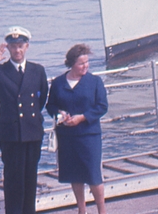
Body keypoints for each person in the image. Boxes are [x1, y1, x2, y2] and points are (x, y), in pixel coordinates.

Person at [0, 26, 49, 214]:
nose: (17, 50)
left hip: (32, 132)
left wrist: (31, 120)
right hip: (11, 134)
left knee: (30, 179)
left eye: (20, 46)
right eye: (13, 46)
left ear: (27, 46)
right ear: (8, 48)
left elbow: (41, 99)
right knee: (14, 181)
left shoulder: (37, 70)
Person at [46, 44, 109, 214]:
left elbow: (102, 106)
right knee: (75, 175)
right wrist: (60, 114)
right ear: (71, 64)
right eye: (81, 63)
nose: (85, 66)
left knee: (93, 175)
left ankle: (102, 210)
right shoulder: (58, 83)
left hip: (88, 136)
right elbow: (50, 105)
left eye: (87, 62)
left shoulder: (95, 82)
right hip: (67, 136)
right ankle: (82, 210)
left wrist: (82, 117)